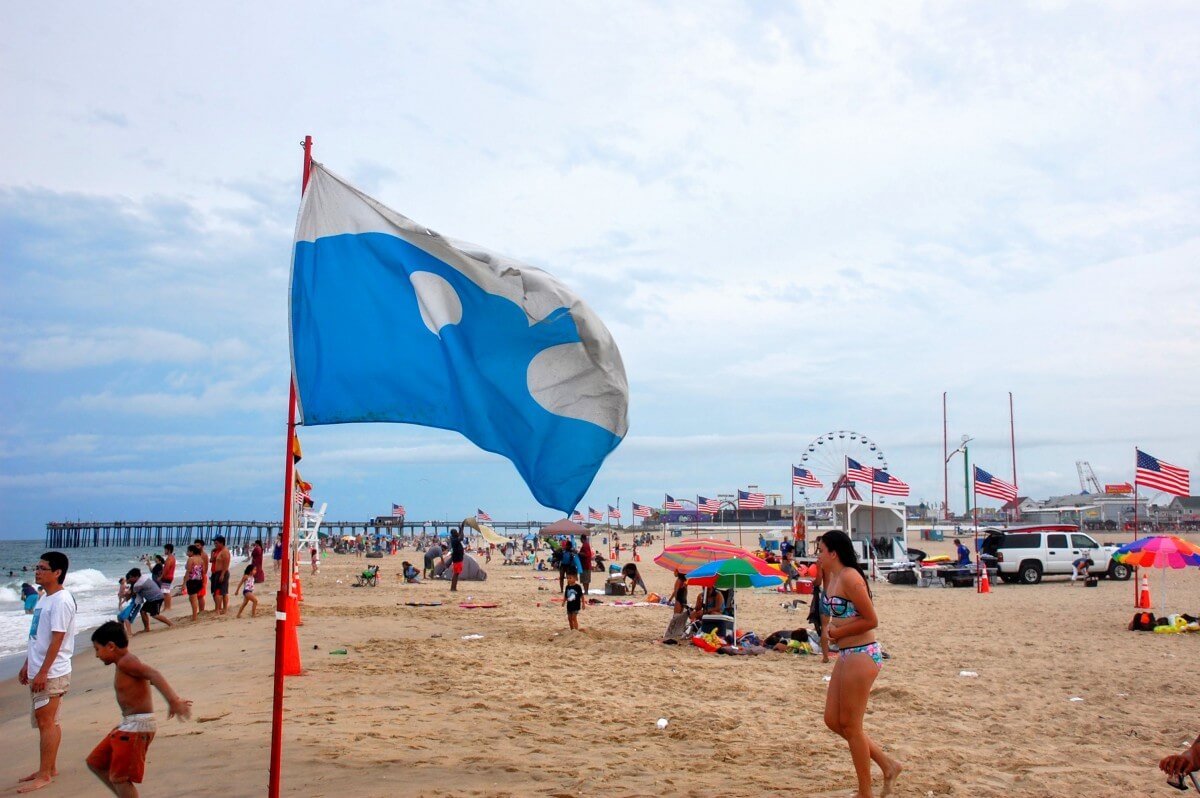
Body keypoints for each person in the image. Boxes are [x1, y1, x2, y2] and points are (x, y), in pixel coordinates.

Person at [817, 530, 902, 798]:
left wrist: (838, 633)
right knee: (833, 720)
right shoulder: (831, 577)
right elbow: (829, 614)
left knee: (851, 726)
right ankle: (888, 765)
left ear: (834, 553)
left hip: (863, 652)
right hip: (845, 654)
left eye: (821, 550)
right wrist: (828, 633)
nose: (817, 555)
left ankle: (865, 793)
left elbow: (871, 619)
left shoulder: (851, 577)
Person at [88, 621, 192, 797]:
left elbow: (153, 674)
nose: (96, 655)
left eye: (97, 649)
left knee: (119, 778)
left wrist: (173, 700)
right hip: (128, 725)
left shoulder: (126, 663)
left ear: (111, 646)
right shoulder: (126, 662)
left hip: (137, 727)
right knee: (96, 762)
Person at [18, 551, 77, 794]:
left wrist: (42, 672)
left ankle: (44, 775)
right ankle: (49, 768)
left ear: (57, 572)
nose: (37, 571)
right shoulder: (44, 598)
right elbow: (37, 637)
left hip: (52, 672)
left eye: (42, 568)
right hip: (40, 667)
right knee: (50, 721)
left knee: (46, 722)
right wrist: (26, 664)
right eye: (37, 566)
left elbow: (57, 639)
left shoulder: (62, 600)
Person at [126, 568, 174, 634]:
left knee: (155, 615)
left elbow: (132, 594)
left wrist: (125, 594)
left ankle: (171, 624)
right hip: (151, 599)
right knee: (143, 611)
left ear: (137, 576)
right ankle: (147, 628)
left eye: (131, 577)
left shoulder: (138, 584)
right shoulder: (143, 577)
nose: (130, 578)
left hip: (157, 598)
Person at [209, 536, 231, 615]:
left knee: (221, 592)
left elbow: (226, 563)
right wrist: (212, 552)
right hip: (216, 573)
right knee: (218, 592)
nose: (215, 545)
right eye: (214, 543)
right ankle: (219, 608)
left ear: (221, 543)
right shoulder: (218, 551)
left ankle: (221, 609)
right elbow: (211, 560)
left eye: (216, 543)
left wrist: (222, 574)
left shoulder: (225, 551)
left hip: (222, 572)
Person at [183, 545, 204, 623]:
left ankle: (194, 617)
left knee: (193, 599)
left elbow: (188, 571)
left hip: (192, 581)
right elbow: (202, 571)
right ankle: (195, 615)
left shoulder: (191, 559)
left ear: (192, 552)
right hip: (199, 580)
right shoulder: (200, 559)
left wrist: (184, 584)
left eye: (188, 551)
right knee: (193, 598)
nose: (187, 553)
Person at [193, 539, 209, 613]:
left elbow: (205, 568)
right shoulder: (195, 554)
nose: (196, 547)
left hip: (202, 577)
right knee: (196, 595)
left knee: (200, 595)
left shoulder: (204, 555)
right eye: (195, 545)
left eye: (198, 545)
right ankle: (199, 611)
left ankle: (201, 611)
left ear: (202, 546)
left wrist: (202, 578)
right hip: (196, 577)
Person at [159, 544, 176, 611]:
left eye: (165, 549)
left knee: (166, 592)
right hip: (169, 576)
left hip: (167, 577)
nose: (164, 551)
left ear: (168, 550)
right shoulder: (172, 557)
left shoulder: (169, 558)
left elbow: (166, 569)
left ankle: (167, 607)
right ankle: (168, 607)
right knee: (166, 592)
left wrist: (161, 576)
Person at [448, 528, 465, 592]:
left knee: (456, 574)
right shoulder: (454, 540)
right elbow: (461, 537)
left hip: (457, 559)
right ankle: (453, 588)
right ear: (454, 534)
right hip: (457, 559)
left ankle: (454, 588)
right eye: (456, 532)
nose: (457, 533)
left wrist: (461, 529)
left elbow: (461, 537)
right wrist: (462, 529)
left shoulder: (454, 539)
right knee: (456, 574)